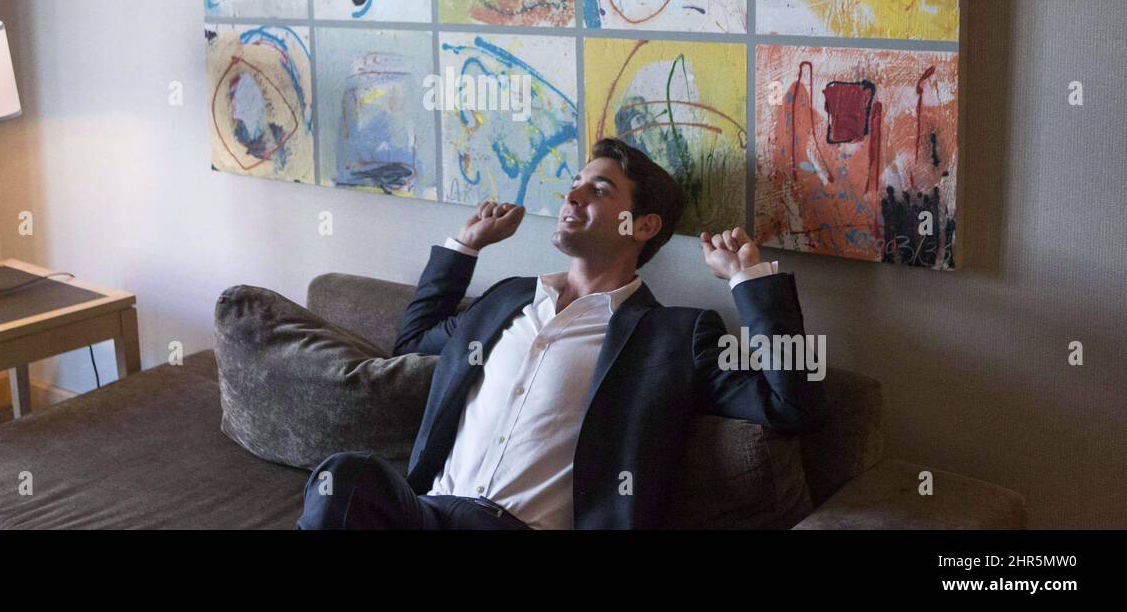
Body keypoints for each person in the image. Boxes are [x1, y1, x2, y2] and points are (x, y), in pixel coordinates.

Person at [297, 137, 826, 529]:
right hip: (427, 514)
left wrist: (747, 280)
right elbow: (412, 345)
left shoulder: (674, 335)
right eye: (575, 182)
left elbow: (789, 404)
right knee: (343, 477)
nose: (572, 195)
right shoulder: (506, 298)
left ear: (643, 227)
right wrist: (466, 246)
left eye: (598, 189)